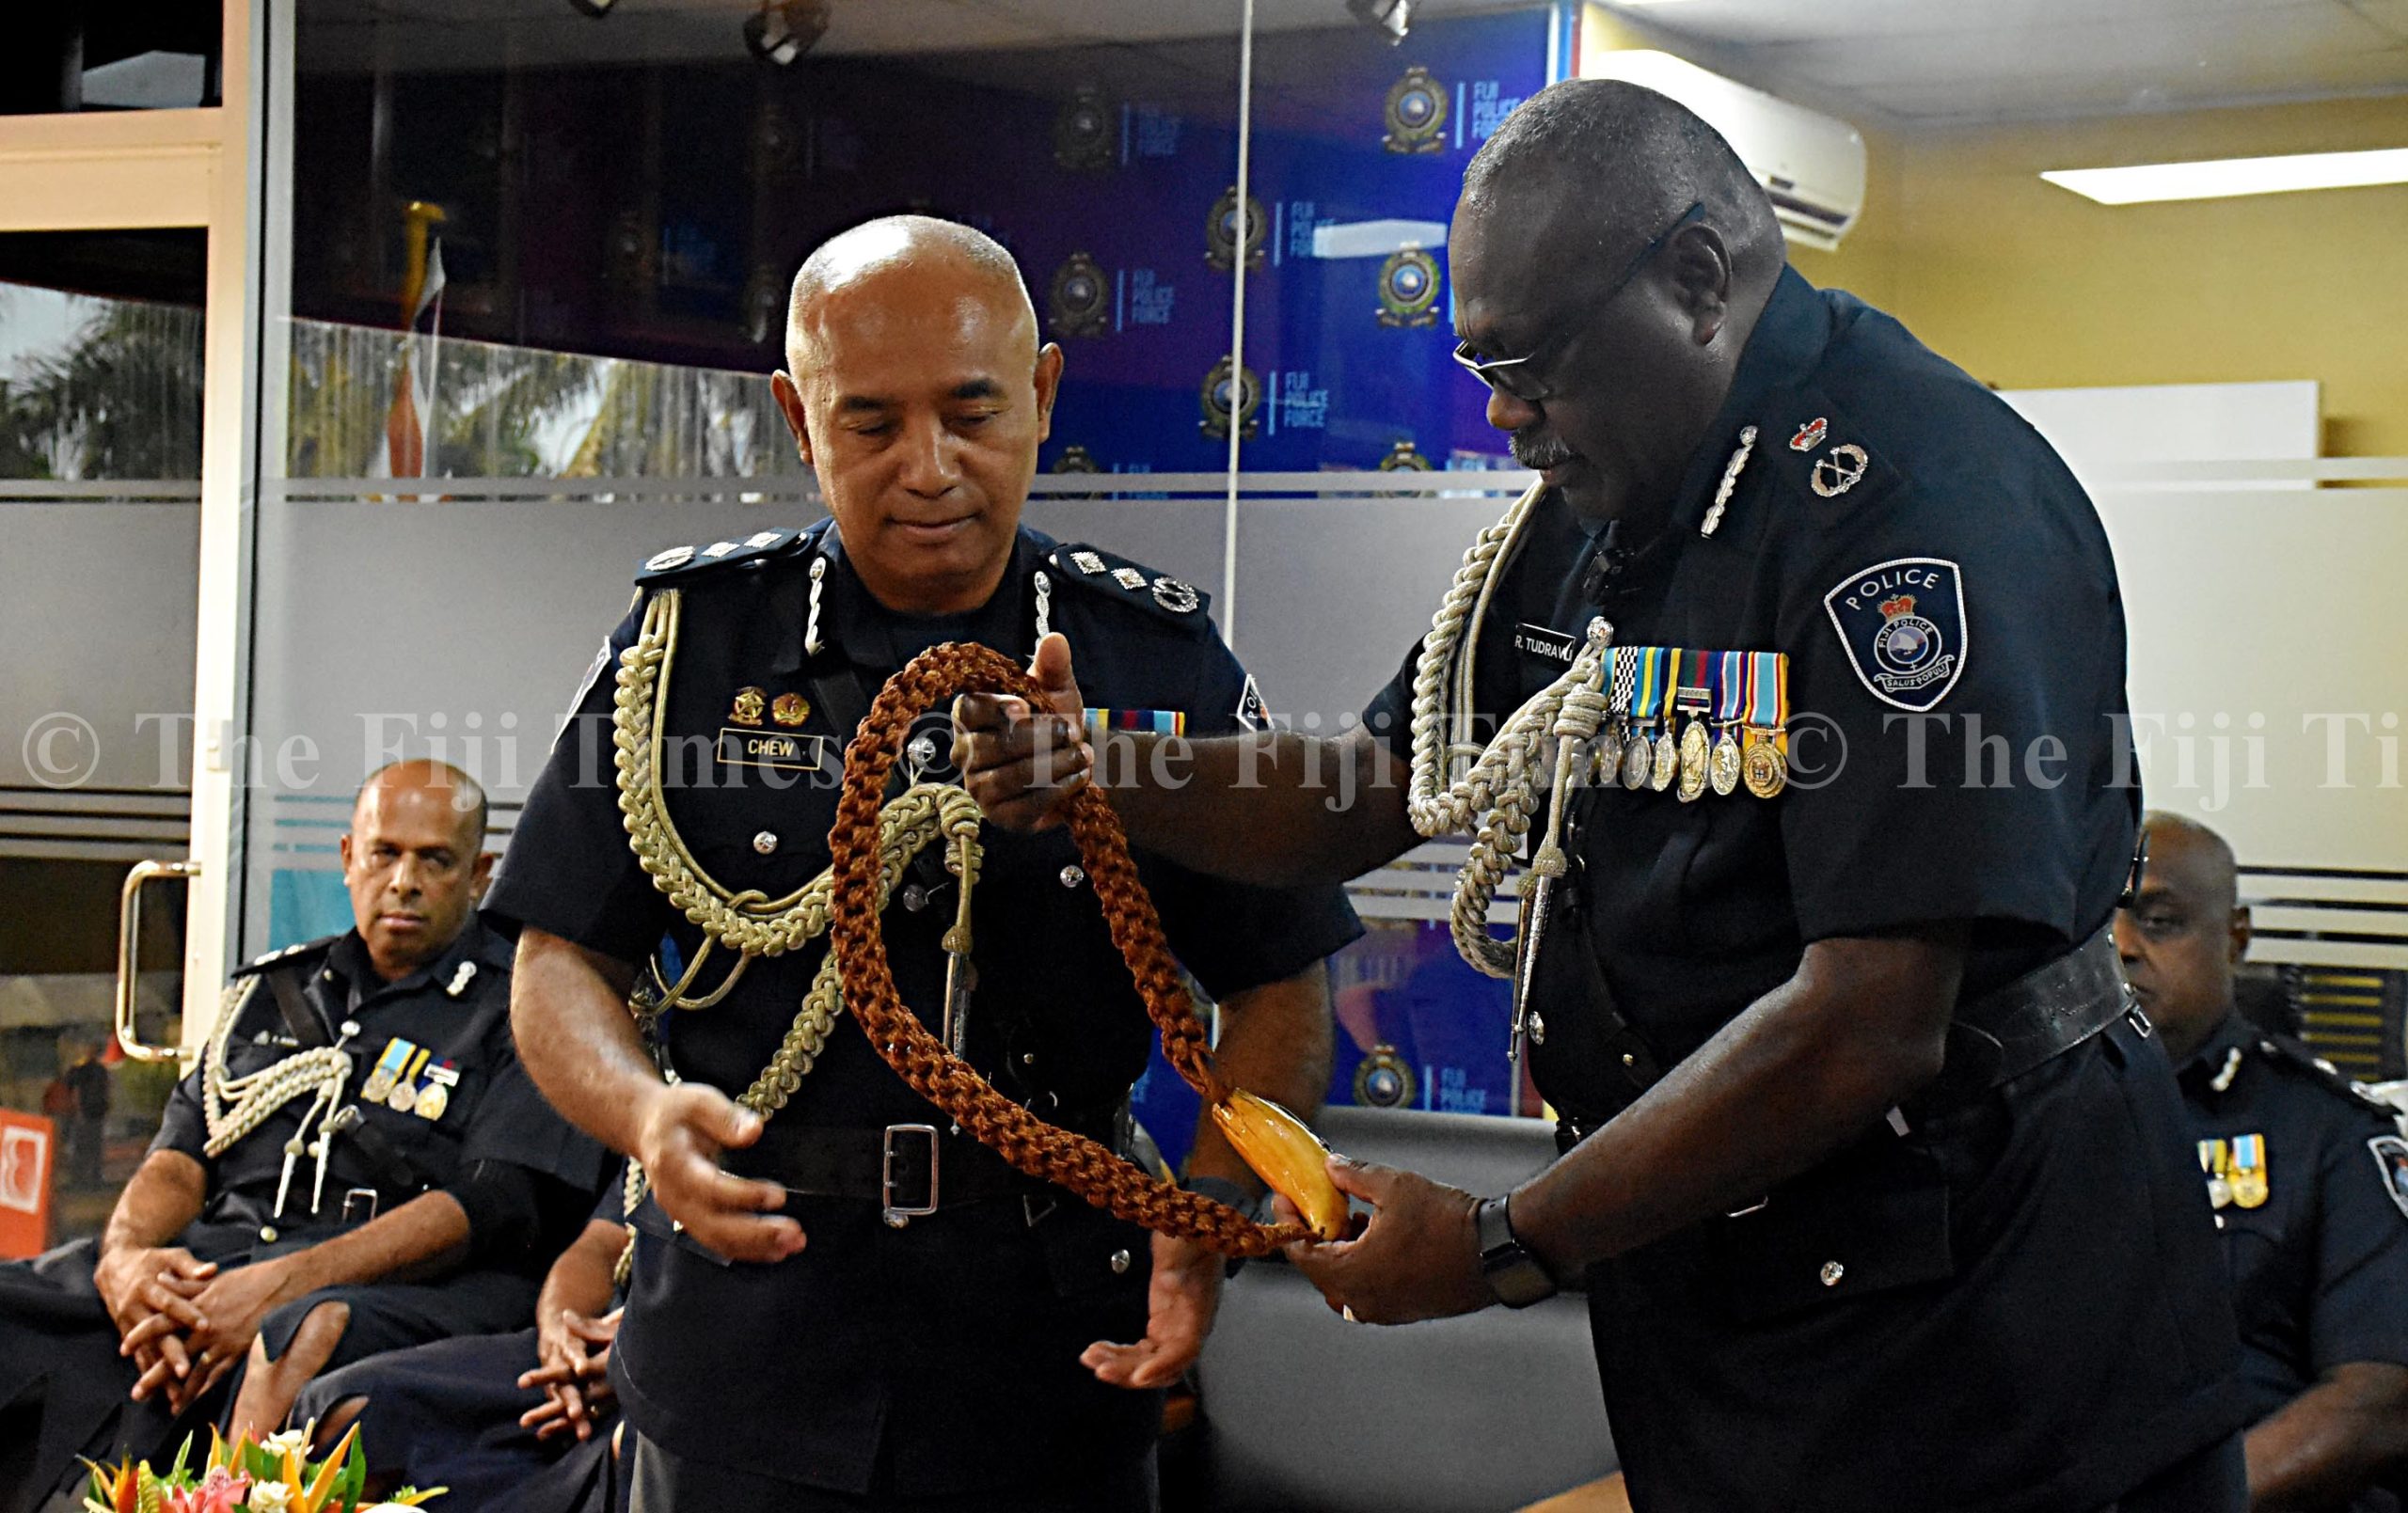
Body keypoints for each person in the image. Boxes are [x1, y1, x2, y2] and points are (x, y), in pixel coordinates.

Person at [957, 80, 2247, 1511]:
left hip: (1994, 1356)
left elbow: (1871, 1019)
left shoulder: (1915, 510)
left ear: (1696, 281)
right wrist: (1103, 775)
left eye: (1532, 365)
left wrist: (1502, 1241)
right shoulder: (1612, 499)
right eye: (1479, 366)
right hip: (1751, 1326)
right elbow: (1388, 785)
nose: (1505, 417)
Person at [490, 215, 1360, 1512]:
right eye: (872, 423)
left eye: (972, 412)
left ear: (1046, 395)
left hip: (1051, 1350)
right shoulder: (687, 648)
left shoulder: (1155, 662)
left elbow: (1282, 985)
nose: (931, 468)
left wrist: (1209, 1214)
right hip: (745, 1346)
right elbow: (559, 961)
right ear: (799, 419)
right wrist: (641, 1113)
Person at [0, 760, 607, 1513]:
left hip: (403, 1282)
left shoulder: (524, 1003)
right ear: (349, 856)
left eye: (435, 859)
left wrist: (277, 1284)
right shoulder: (271, 989)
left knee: (293, 1332)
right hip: (218, 1260)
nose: (405, 880)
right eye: (385, 852)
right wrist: (127, 1260)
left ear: (479, 872)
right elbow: (181, 1152)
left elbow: (494, 1202)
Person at [2118, 812, 2408, 1511]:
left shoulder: (2329, 1131)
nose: (2122, 946)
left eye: (2159, 921)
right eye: (2100, 922)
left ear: (2236, 937)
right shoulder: (2030, 1119)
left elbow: (2378, 1399)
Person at [288, 1160, 638, 1513]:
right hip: (584, 1353)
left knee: (628, 1458)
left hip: (661, 1378)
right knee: (352, 1407)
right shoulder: (665, 1133)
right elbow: (600, 1247)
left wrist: (639, 1359)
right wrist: (561, 1336)